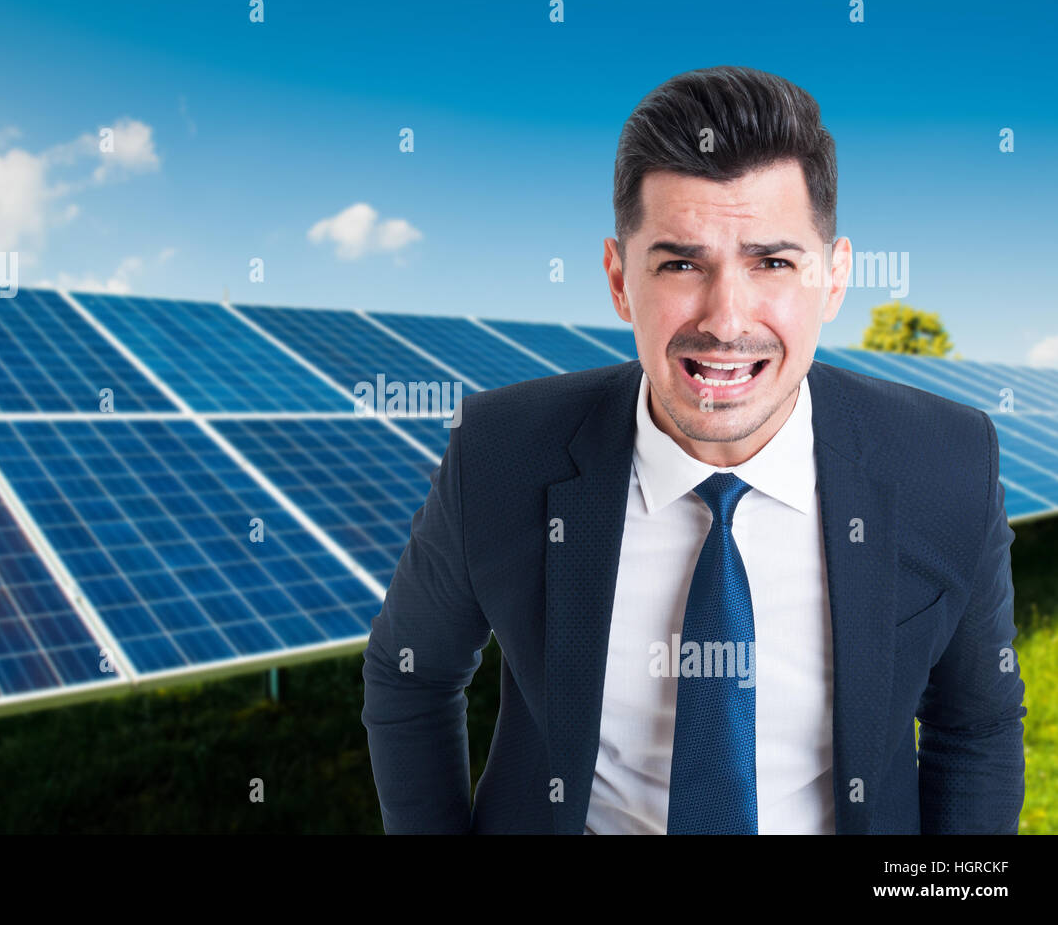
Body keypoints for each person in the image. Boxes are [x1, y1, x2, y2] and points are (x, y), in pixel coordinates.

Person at [360, 65, 1025, 834]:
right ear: (619, 278)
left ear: (835, 277)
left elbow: (974, 725)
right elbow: (409, 676)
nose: (725, 317)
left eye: (772, 262)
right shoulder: (502, 455)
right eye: (681, 263)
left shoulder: (947, 463)